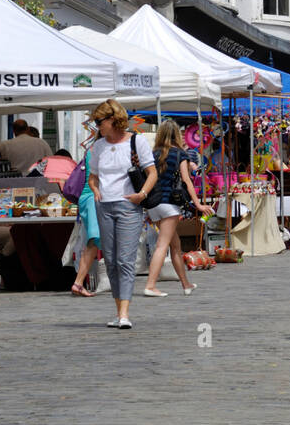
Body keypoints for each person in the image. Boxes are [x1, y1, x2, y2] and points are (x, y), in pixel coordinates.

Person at [87, 99, 157, 329]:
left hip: (129, 206)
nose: (98, 126)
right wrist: (95, 189)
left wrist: (142, 194)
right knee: (110, 260)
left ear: (113, 119)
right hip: (105, 205)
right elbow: (93, 175)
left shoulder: (136, 141)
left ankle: (125, 314)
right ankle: (119, 311)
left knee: (124, 259)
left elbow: (152, 172)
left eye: (100, 121)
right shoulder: (98, 146)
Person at [144, 119, 206, 297]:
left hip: (153, 205)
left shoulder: (153, 154)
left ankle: (186, 284)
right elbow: (186, 181)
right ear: (177, 135)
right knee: (162, 245)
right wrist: (198, 204)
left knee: (175, 245)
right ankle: (150, 285)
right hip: (169, 204)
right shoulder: (180, 154)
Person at [71, 135, 102, 298]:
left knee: (93, 242)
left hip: (89, 198)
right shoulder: (99, 150)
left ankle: (79, 283)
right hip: (93, 198)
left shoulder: (92, 150)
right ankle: (79, 281)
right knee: (94, 240)